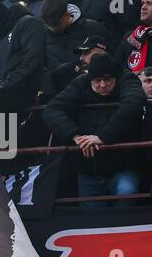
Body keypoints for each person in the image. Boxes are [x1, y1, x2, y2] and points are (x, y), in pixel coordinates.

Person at [43, 53, 146, 204]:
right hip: (88, 170)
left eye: (107, 79)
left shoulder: (127, 79)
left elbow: (132, 105)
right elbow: (51, 109)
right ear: (90, 79)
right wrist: (75, 135)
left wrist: (102, 137)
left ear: (115, 77)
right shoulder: (80, 83)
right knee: (91, 216)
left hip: (123, 167)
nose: (103, 85)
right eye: (97, 80)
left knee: (126, 198)